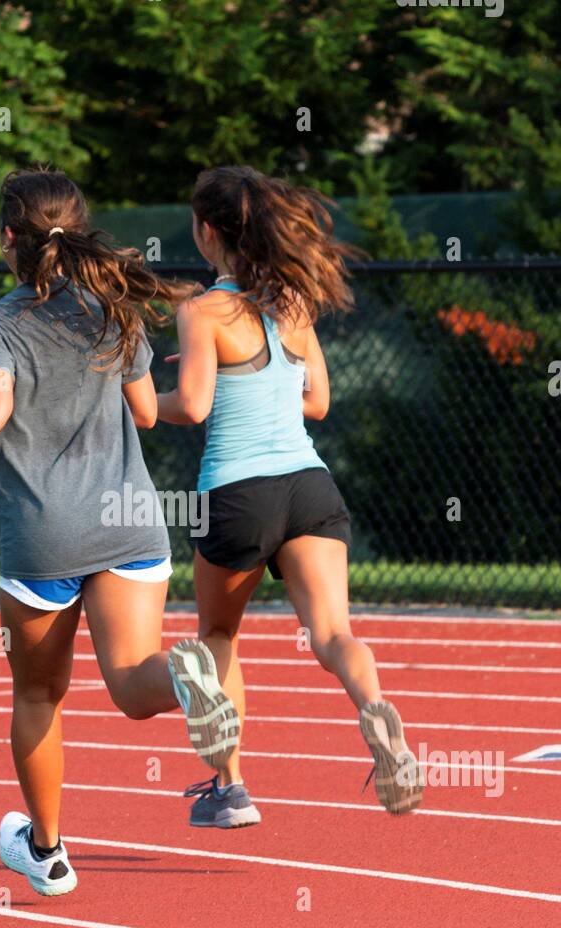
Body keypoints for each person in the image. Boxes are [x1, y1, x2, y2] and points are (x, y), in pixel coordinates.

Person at [0, 168, 240, 896]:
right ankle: (185, 672)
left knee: (40, 695)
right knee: (135, 683)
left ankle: (46, 852)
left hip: (45, 532)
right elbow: (145, 413)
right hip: (129, 523)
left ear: (7, 237)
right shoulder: (114, 309)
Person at [156, 165, 423, 828]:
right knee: (334, 632)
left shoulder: (201, 310)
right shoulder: (294, 304)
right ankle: (376, 714)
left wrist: (130, 400)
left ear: (207, 231)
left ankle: (232, 787)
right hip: (308, 485)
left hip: (237, 493)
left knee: (218, 633)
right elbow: (320, 400)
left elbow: (191, 406)